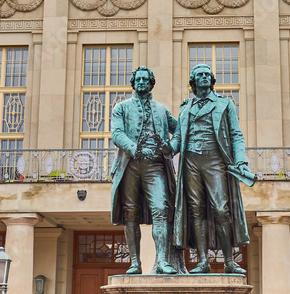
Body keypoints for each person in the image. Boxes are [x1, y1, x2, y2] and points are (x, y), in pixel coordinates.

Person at [172, 64, 255, 274]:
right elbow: (178, 139)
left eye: (207, 74)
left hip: (215, 160)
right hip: (191, 161)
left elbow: (236, 134)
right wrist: (164, 150)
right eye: (200, 75)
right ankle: (202, 261)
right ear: (193, 81)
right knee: (196, 209)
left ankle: (229, 261)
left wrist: (241, 161)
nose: (204, 77)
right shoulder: (185, 108)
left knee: (221, 209)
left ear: (212, 79)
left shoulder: (224, 104)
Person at [109, 66, 179, 274]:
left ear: (151, 83)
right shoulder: (121, 108)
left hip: (155, 166)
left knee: (160, 209)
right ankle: (134, 262)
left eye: (145, 80)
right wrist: (135, 148)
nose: (141, 82)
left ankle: (162, 261)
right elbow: (117, 133)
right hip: (130, 165)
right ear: (133, 83)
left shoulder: (162, 109)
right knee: (131, 213)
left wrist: (171, 147)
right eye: (138, 79)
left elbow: (180, 131)